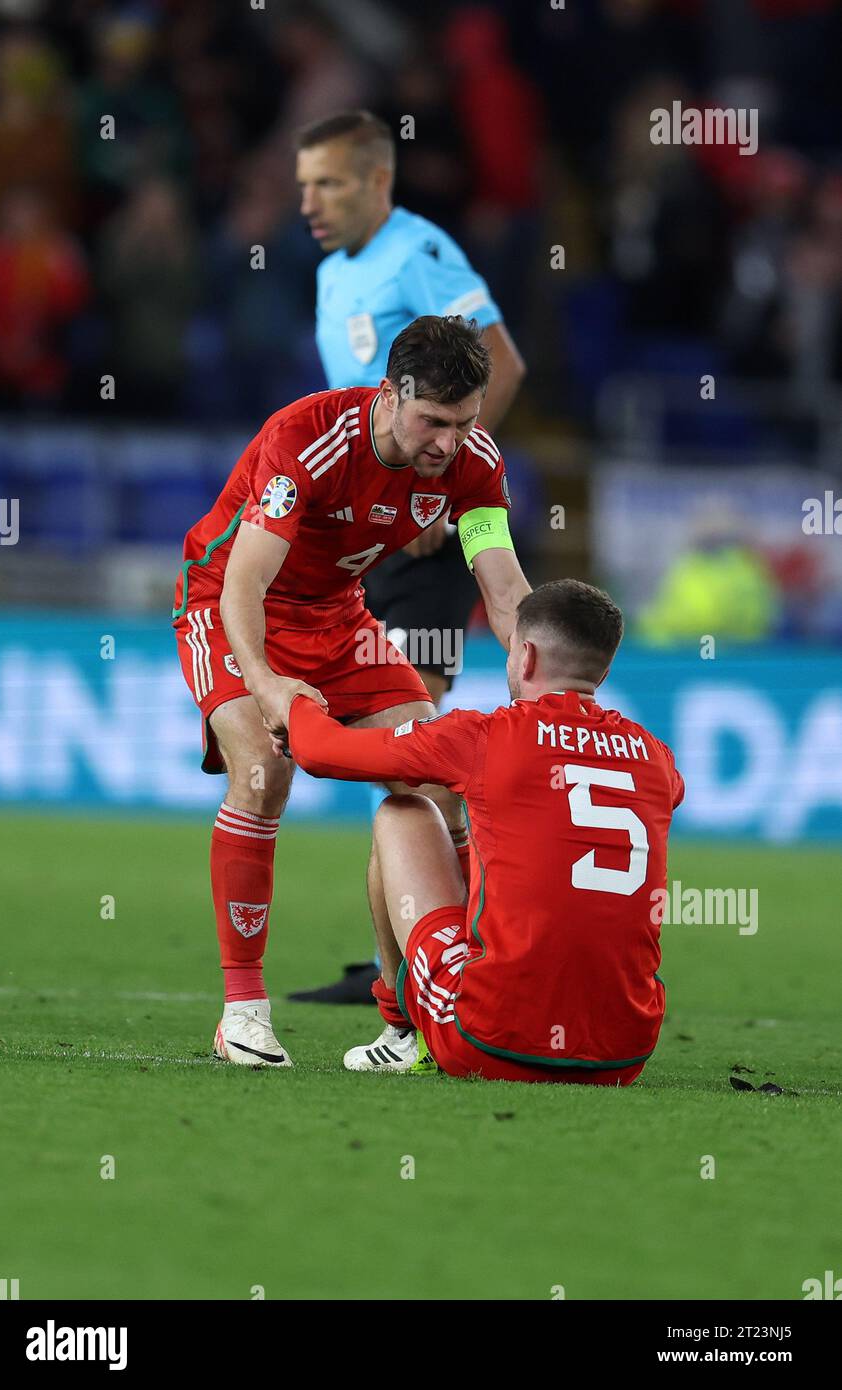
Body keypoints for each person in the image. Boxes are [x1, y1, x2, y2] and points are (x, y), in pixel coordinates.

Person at [172, 314, 530, 1067]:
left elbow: (503, 592)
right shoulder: (308, 437)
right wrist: (266, 685)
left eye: (463, 422)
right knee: (264, 775)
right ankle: (242, 1010)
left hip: (339, 619)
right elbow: (245, 579)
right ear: (391, 393)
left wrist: (544, 685)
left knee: (435, 783)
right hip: (231, 606)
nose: (447, 442)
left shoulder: (472, 462)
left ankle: (407, 1015)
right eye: (433, 420)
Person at [290, 108, 526, 1004]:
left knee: (414, 740)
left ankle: (442, 950)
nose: (310, 201)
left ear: (379, 182)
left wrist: (443, 478)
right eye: (304, 183)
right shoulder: (329, 270)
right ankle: (417, 942)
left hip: (418, 534)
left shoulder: (418, 252)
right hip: (361, 538)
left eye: (331, 183)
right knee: (399, 746)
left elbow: (500, 364)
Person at [286, 580, 684, 1081]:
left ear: (527, 656)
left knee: (402, 811)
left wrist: (292, 697)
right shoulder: (656, 758)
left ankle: (401, 1029)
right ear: (603, 670)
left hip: (486, 1039)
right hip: (621, 1056)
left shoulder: (485, 736)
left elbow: (321, 752)